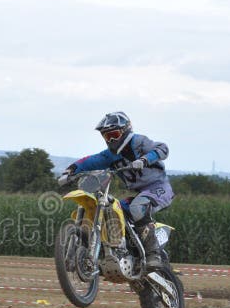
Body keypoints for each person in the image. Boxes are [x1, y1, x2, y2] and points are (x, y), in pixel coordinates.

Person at [63, 111, 174, 269]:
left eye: (114, 135)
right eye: (106, 137)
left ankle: (153, 255)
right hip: (139, 194)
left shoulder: (139, 142)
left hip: (159, 187)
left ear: (125, 130)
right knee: (112, 211)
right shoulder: (110, 155)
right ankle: (124, 251)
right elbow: (89, 161)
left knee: (138, 208)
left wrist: (144, 159)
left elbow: (163, 148)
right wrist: (70, 171)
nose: (111, 140)